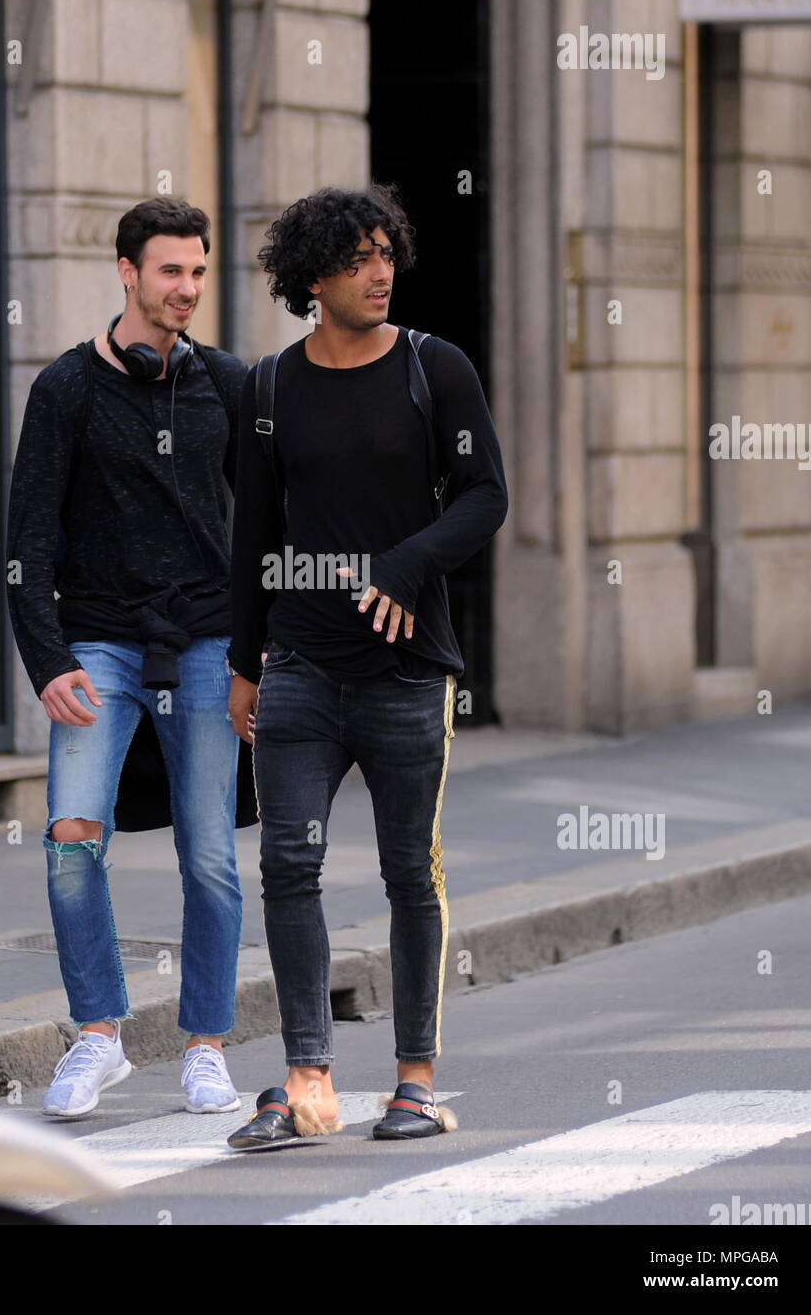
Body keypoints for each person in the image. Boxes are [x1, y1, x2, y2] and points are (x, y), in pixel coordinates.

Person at [226, 185, 507, 1147]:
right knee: (287, 866)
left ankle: (416, 1082)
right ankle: (308, 1079)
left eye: (386, 253)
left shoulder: (437, 370)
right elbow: (253, 535)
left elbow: (484, 496)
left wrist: (403, 563)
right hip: (299, 669)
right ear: (313, 279)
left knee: (407, 876)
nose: (379, 272)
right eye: (356, 259)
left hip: (405, 676)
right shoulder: (267, 387)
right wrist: (242, 661)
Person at [7, 197, 252, 1119]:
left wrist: (255, 658)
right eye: (168, 272)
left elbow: (269, 528)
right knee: (73, 836)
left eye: (197, 271)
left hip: (205, 642)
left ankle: (204, 1047)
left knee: (210, 856)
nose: (186, 288)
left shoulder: (228, 385)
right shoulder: (65, 390)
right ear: (127, 272)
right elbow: (25, 537)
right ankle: (99, 1035)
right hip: (98, 642)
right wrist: (47, 660)